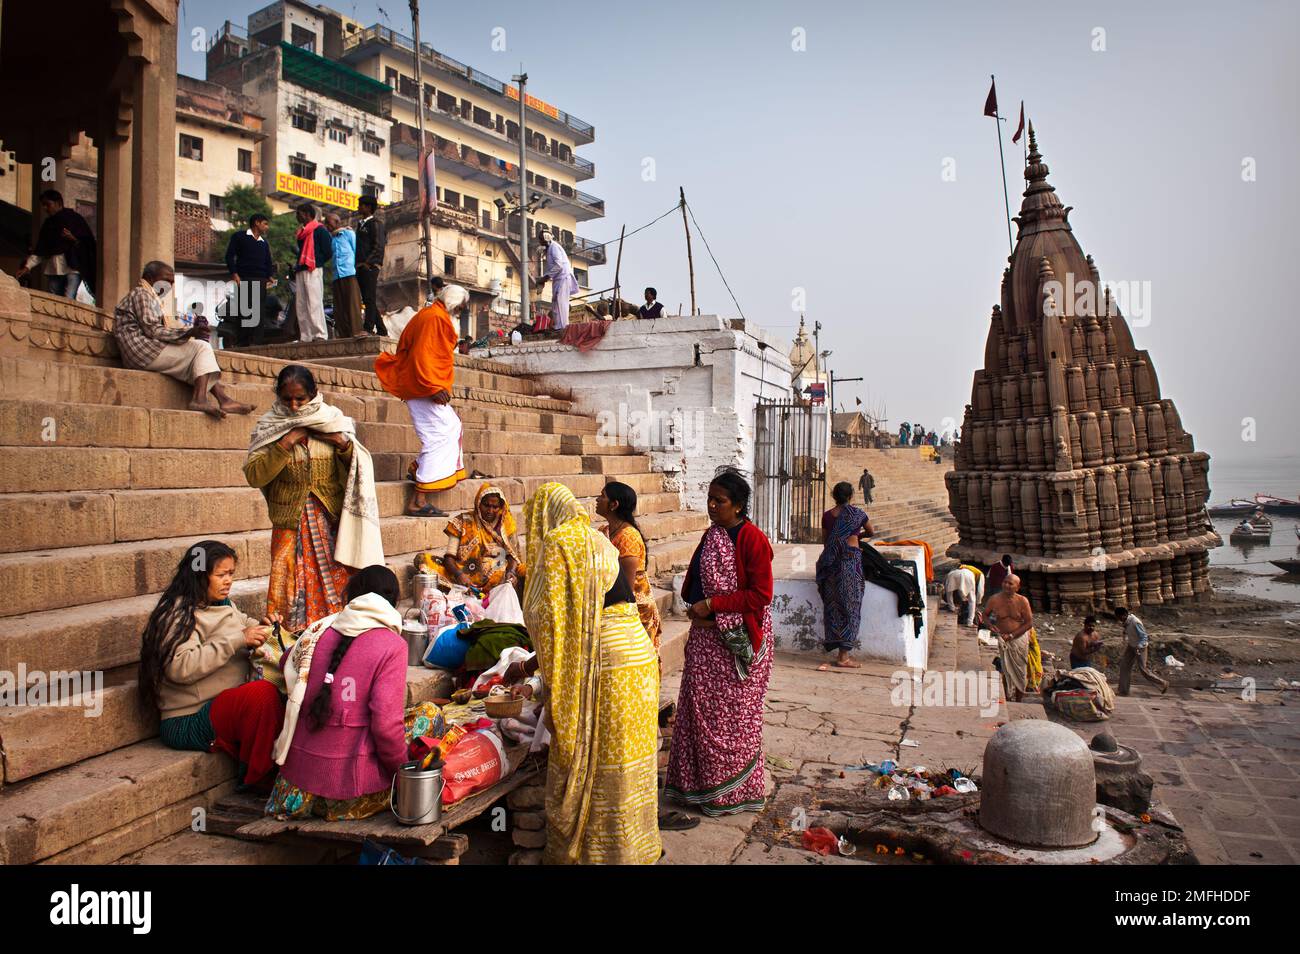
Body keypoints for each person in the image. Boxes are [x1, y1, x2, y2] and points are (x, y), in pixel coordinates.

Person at [521, 482, 661, 864]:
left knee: (599, 759)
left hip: (608, 657)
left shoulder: (558, 544)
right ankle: (637, 848)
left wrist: (538, 676)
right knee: (630, 755)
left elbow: (555, 622)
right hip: (637, 647)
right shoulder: (597, 540)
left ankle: (598, 852)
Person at [666, 469, 775, 817]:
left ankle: (732, 791)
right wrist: (698, 609)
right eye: (710, 499)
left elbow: (760, 595)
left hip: (738, 643)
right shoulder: (711, 536)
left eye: (720, 501)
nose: (712, 506)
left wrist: (714, 605)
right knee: (698, 712)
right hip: (705, 640)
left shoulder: (752, 539)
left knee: (734, 717)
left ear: (739, 506)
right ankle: (696, 788)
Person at [243, 365, 384, 629]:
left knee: (338, 580)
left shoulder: (332, 419)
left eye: (300, 399)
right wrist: (286, 443)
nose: (294, 406)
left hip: (330, 522)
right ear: (278, 396)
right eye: (287, 399)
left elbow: (355, 468)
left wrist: (342, 445)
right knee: (290, 585)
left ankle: (337, 633)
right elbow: (255, 476)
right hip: (289, 524)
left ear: (314, 394)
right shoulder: (269, 426)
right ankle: (292, 643)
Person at [265, 566, 409, 821]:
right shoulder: (393, 645)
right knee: (429, 716)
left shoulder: (319, 630)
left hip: (292, 792)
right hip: (346, 795)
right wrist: (403, 775)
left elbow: (287, 660)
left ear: (351, 596)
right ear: (393, 602)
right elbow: (386, 726)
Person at [140, 540, 286, 787]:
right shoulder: (178, 614)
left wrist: (265, 627)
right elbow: (180, 667)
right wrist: (238, 640)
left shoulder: (224, 604)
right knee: (262, 695)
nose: (228, 581)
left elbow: (244, 624)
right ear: (199, 576)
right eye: (220, 575)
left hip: (222, 705)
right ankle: (259, 779)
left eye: (230, 574)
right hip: (189, 717)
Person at [113, 261, 253, 418]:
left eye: (172, 282)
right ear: (151, 278)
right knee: (201, 347)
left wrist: (188, 333)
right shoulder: (141, 294)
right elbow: (152, 330)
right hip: (141, 350)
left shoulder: (149, 296)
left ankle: (224, 399)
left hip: (143, 350)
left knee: (199, 356)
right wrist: (188, 333)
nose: (170, 285)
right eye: (166, 280)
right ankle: (201, 399)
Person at [375, 284, 469, 516]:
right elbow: (422, 355)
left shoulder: (434, 315)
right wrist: (433, 387)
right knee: (438, 437)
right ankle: (418, 500)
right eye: (461, 307)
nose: (463, 311)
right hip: (423, 386)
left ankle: (418, 471)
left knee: (452, 426)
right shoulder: (433, 317)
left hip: (424, 385)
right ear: (453, 303)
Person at [597, 481, 663, 652]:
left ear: (614, 504)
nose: (597, 499)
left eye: (602, 496)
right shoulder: (604, 530)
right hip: (612, 600)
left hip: (633, 608)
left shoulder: (628, 537)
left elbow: (626, 586)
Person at [817, 481, 874, 668]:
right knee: (851, 605)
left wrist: (837, 542)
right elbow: (871, 531)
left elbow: (826, 542)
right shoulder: (858, 514)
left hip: (832, 564)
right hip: (850, 562)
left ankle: (839, 650)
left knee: (833, 605)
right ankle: (844, 656)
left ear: (834, 496)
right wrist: (857, 537)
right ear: (851, 496)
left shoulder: (826, 516)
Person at [442, 483, 525, 594]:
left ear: (500, 507)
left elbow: (512, 555)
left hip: (499, 568)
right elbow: (449, 557)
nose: (490, 511)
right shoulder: (463, 521)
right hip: (465, 570)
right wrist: (459, 574)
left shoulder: (506, 524)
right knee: (424, 560)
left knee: (531, 571)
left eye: (495, 507)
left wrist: (511, 572)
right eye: (486, 505)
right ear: (478, 503)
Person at [15, 189, 96, 300]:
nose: (45, 208)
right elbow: (41, 250)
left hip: (73, 267)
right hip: (54, 268)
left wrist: (73, 238)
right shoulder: (48, 225)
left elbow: (88, 243)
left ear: (58, 203)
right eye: (43, 205)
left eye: (47, 204)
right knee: (53, 300)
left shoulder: (75, 219)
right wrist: (27, 267)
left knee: (69, 299)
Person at [224, 212, 277, 347]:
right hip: (244, 279)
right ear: (257, 223)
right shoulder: (239, 237)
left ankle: (256, 343)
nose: (267, 227)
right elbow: (230, 256)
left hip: (260, 280)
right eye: (265, 224)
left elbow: (267, 261)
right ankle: (243, 344)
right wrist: (234, 273)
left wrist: (269, 276)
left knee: (258, 313)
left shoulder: (264, 243)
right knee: (245, 312)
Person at [986, 573, 1036, 702]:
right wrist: (991, 626)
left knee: (1020, 671)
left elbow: (1029, 623)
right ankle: (1007, 697)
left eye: (1010, 583)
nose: (1006, 585)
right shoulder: (994, 599)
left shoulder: (1022, 601)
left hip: (1018, 640)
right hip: (1003, 640)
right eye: (1005, 582)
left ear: (1017, 587)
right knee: (1006, 669)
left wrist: (1012, 635)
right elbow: (985, 616)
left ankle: (1018, 700)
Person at [292, 203, 332, 342]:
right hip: (301, 269)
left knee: (314, 302)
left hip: (313, 269)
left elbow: (328, 251)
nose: (297, 216)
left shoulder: (320, 230)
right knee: (301, 304)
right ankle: (306, 335)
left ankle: (320, 334)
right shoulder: (301, 233)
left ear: (306, 214)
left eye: (299, 213)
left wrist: (316, 261)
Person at [324, 211, 363, 339]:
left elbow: (357, 252)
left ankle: (356, 331)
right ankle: (343, 334)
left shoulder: (348, 234)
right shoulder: (331, 239)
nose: (327, 226)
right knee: (339, 308)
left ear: (336, 222)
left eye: (328, 223)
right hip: (336, 276)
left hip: (350, 273)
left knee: (352, 305)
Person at [1114, 606, 1169, 695]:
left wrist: (1139, 647)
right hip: (1131, 645)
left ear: (1124, 615)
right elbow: (1127, 629)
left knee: (1143, 670)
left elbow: (1144, 637)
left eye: (1120, 617)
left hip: (1141, 647)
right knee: (1124, 666)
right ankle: (1123, 690)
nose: (1119, 620)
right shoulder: (1126, 621)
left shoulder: (1135, 622)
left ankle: (1163, 683)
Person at [354, 194, 387, 336]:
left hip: (370, 267)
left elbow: (378, 246)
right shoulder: (360, 224)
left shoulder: (376, 224)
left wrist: (368, 263)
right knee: (368, 299)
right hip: (360, 266)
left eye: (360, 205)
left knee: (369, 298)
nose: (358, 207)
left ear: (368, 207)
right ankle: (382, 330)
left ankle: (368, 328)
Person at [536, 230, 579, 331]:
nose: (540, 242)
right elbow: (552, 267)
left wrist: (545, 278)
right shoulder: (550, 249)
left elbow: (559, 265)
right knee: (555, 303)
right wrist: (544, 279)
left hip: (563, 277)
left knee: (561, 302)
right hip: (558, 279)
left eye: (541, 240)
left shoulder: (554, 247)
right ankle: (559, 325)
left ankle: (563, 327)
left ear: (545, 239)